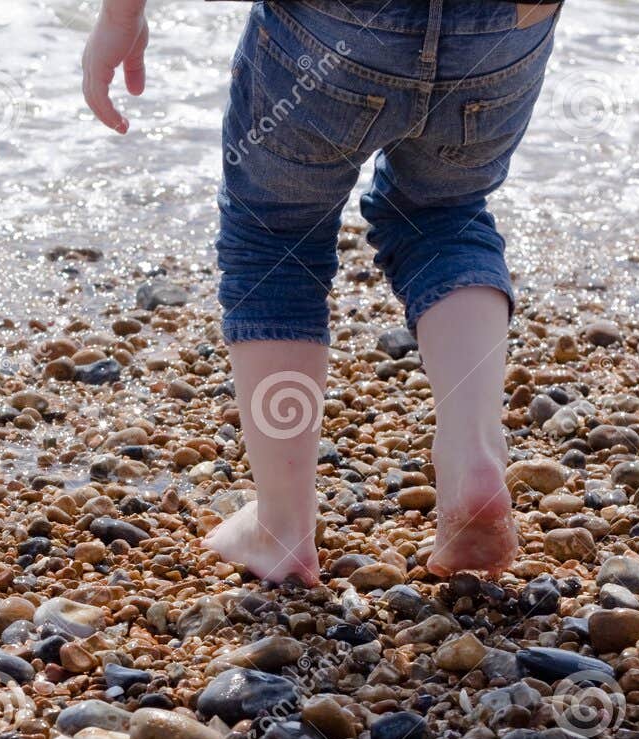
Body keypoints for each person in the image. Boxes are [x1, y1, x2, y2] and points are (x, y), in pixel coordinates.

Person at [83, 0, 561, 583]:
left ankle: (282, 529)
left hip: (330, 23)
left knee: (275, 236)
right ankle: (473, 460)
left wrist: (119, 17)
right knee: (445, 215)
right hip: (504, 28)